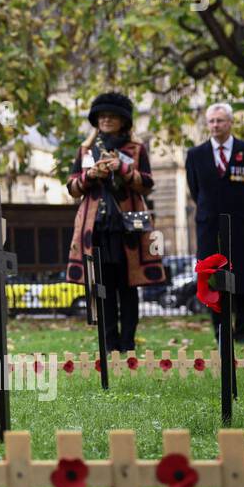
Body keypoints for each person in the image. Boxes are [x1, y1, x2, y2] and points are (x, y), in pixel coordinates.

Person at [65, 92, 166, 354]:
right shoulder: (85, 150)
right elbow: (73, 188)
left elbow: (147, 185)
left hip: (127, 229)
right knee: (103, 288)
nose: (106, 120)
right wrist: (91, 174)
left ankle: (128, 345)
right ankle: (109, 345)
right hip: (96, 228)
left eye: (112, 116)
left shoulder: (136, 150)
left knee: (128, 287)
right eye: (102, 116)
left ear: (124, 121)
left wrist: (121, 168)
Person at [185, 102, 244, 343]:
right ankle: (221, 333)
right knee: (213, 281)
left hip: (242, 227)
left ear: (230, 122)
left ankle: (242, 333)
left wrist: (241, 210)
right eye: (211, 121)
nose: (215, 125)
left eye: (220, 120)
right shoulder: (195, 155)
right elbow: (195, 189)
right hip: (209, 227)